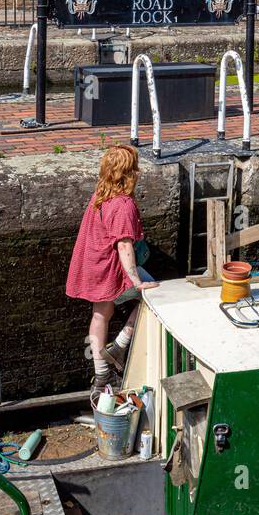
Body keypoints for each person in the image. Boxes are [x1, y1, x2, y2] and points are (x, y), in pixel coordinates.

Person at [66, 145, 158, 395]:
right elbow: (124, 245)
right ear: (129, 173)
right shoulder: (123, 204)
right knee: (152, 300)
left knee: (100, 315)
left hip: (94, 264)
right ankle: (119, 346)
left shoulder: (100, 195)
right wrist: (137, 281)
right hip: (111, 268)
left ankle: (101, 375)